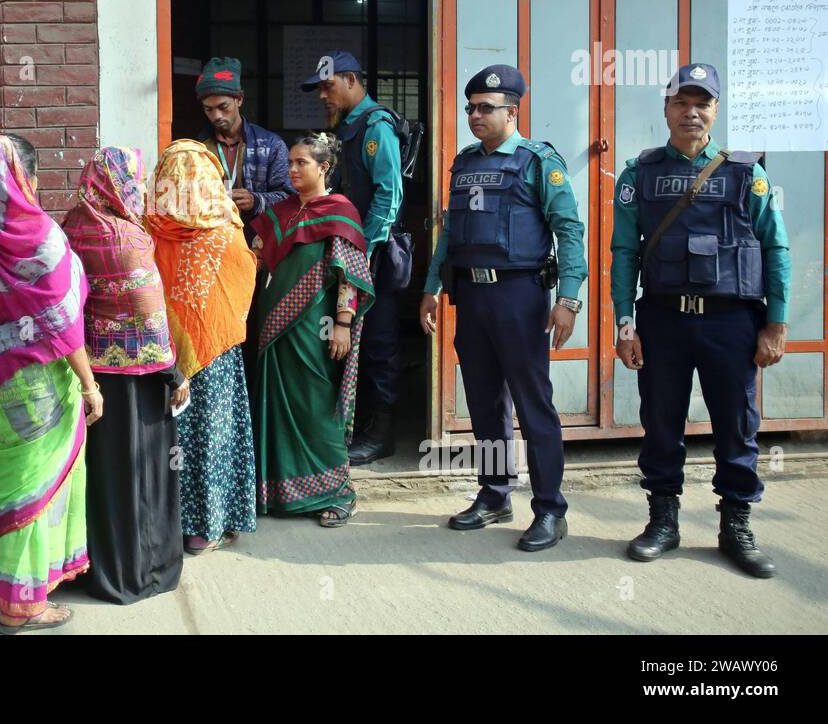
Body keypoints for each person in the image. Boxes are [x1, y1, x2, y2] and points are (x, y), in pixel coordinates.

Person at [611, 63, 789, 579]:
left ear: (715, 110)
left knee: (736, 425)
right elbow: (625, 252)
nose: (692, 112)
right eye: (681, 103)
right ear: (666, 109)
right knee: (661, 422)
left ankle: (736, 527)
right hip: (663, 320)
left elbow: (775, 246)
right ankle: (662, 522)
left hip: (731, 322)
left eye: (702, 103)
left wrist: (775, 323)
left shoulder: (745, 172)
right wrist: (626, 322)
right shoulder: (639, 173)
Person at [419, 64, 587, 552]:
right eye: (470, 107)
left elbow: (569, 230)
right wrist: (432, 287)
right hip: (471, 295)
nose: (475, 115)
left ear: (512, 111)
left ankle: (551, 510)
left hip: (521, 295)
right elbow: (450, 232)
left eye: (486, 107)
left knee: (534, 405)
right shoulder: (465, 161)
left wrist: (568, 300)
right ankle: (494, 494)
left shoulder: (538, 162)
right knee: (485, 402)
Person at [0, 134, 101, 633]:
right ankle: (24, 607)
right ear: (29, 178)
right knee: (34, 494)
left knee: (6, 485)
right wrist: (91, 385)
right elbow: (62, 323)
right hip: (41, 390)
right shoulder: (42, 236)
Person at [62, 147, 189, 604]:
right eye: (134, 180)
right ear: (120, 184)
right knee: (140, 472)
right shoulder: (126, 238)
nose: (139, 189)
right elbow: (148, 314)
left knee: (103, 472)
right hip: (139, 378)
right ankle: (139, 573)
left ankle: (97, 564)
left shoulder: (73, 224)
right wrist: (175, 374)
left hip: (90, 376)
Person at [250, 133, 375, 527]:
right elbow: (254, 258)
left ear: (324, 167)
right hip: (271, 326)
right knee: (275, 404)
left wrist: (343, 324)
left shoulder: (340, 212)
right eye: (289, 162)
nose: (291, 169)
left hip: (316, 328)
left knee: (316, 405)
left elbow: (350, 277)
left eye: (301, 162)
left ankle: (337, 493)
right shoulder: (280, 211)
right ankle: (280, 494)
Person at [147, 140, 257, 554]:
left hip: (159, 356)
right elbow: (243, 282)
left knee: (169, 437)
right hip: (214, 351)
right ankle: (206, 527)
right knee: (212, 433)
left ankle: (167, 521)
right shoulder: (226, 231)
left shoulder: (146, 228)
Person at [301, 50, 405, 465]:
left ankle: (382, 433)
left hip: (371, 251)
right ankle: (358, 423)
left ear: (349, 80)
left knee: (379, 341)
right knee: (351, 339)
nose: (323, 96)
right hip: (348, 251)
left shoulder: (376, 125)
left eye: (328, 86)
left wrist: (364, 246)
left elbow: (389, 192)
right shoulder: (344, 127)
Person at [195, 56, 292, 220]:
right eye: (208, 109)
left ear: (239, 99)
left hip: (259, 240)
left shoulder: (271, 145)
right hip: (214, 239)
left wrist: (256, 200)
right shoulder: (198, 148)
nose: (216, 116)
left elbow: (290, 198)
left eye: (223, 107)